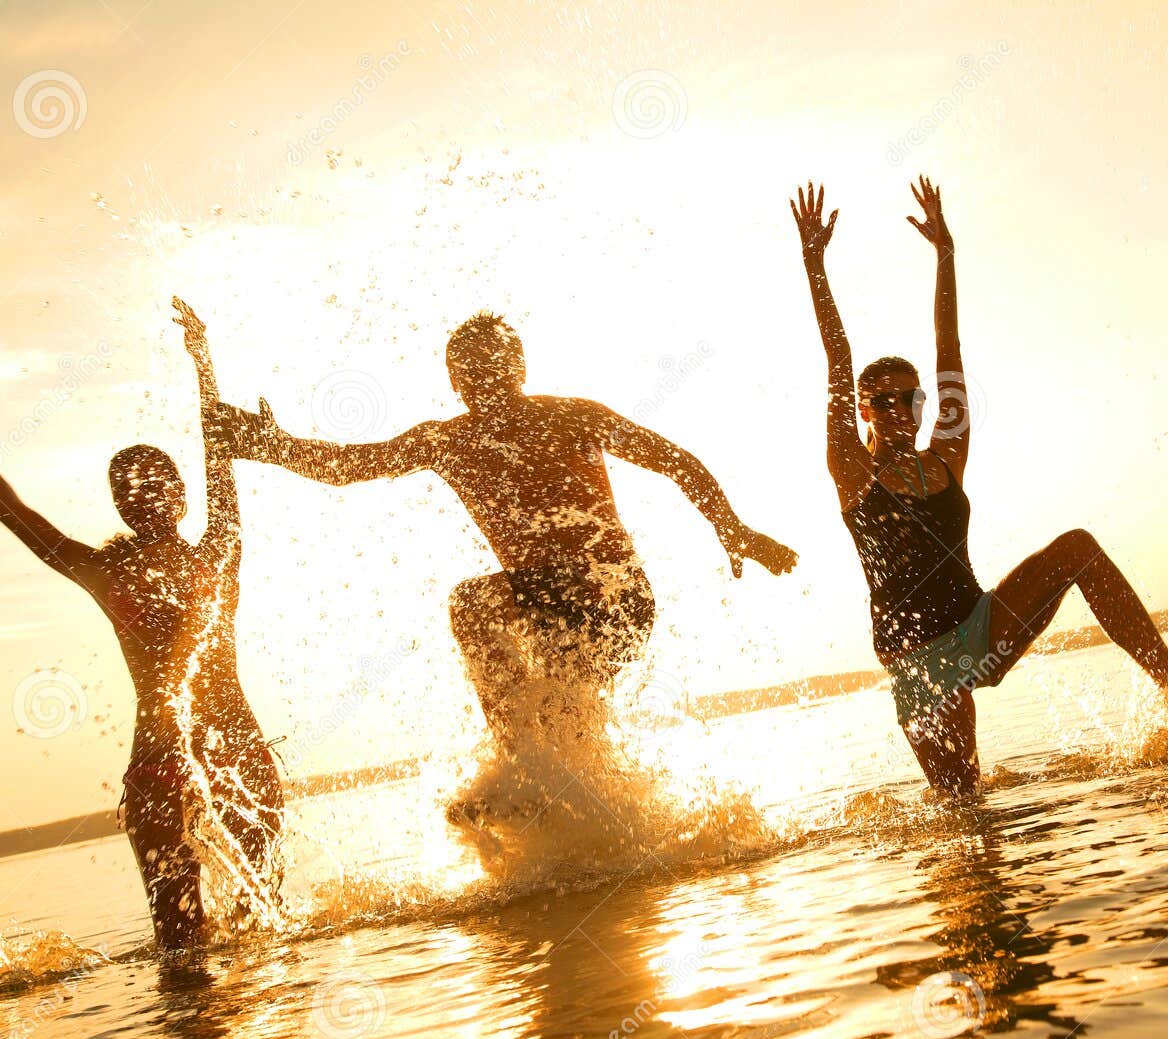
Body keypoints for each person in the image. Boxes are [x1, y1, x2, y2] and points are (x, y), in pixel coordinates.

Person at [792, 178, 1168, 796]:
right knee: (966, 810)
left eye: (908, 399)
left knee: (1077, 548)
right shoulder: (853, 471)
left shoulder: (946, 458)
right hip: (921, 664)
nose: (897, 411)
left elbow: (949, 353)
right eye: (880, 402)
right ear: (862, 411)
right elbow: (837, 355)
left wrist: (946, 254)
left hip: (979, 627)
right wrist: (814, 264)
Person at [226, 311, 796, 757]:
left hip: (614, 594)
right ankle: (532, 769)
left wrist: (732, 527)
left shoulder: (573, 415)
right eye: (468, 370)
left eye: (493, 363)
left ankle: (552, 776)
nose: (481, 378)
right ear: (453, 381)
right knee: (503, 643)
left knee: (545, 685)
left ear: (518, 366)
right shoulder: (447, 440)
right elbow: (348, 467)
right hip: (538, 599)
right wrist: (269, 446)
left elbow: (673, 460)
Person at [0, 299, 284, 950]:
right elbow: (14, 513)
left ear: (180, 495)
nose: (145, 494)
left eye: (155, 483)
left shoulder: (218, 551)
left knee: (261, 931)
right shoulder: (111, 569)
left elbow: (220, 450)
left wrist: (205, 362)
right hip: (168, 761)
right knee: (185, 945)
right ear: (121, 506)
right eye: (131, 488)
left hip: (231, 751)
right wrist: (204, 362)